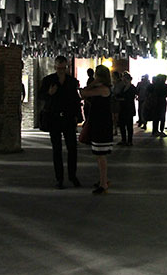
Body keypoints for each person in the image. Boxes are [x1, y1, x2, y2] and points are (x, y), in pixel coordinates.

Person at [38, 56, 83, 189]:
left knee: (72, 148)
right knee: (56, 149)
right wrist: (49, 93)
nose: (61, 71)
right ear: (55, 67)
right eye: (59, 68)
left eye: (63, 68)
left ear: (67, 67)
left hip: (68, 118)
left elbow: (75, 100)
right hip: (54, 118)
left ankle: (72, 176)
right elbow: (41, 96)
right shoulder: (48, 80)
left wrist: (78, 116)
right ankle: (59, 178)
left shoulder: (71, 81)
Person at [81, 65, 113, 194]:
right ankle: (102, 180)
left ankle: (103, 183)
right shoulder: (102, 88)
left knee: (101, 155)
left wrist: (93, 83)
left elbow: (83, 93)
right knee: (99, 155)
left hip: (102, 124)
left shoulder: (103, 89)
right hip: (99, 123)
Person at [115, 72, 137, 146]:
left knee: (129, 126)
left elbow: (129, 98)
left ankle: (130, 141)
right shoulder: (123, 87)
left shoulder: (132, 88)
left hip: (129, 108)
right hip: (123, 108)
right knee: (122, 125)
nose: (124, 81)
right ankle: (123, 139)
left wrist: (120, 99)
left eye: (125, 79)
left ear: (129, 79)